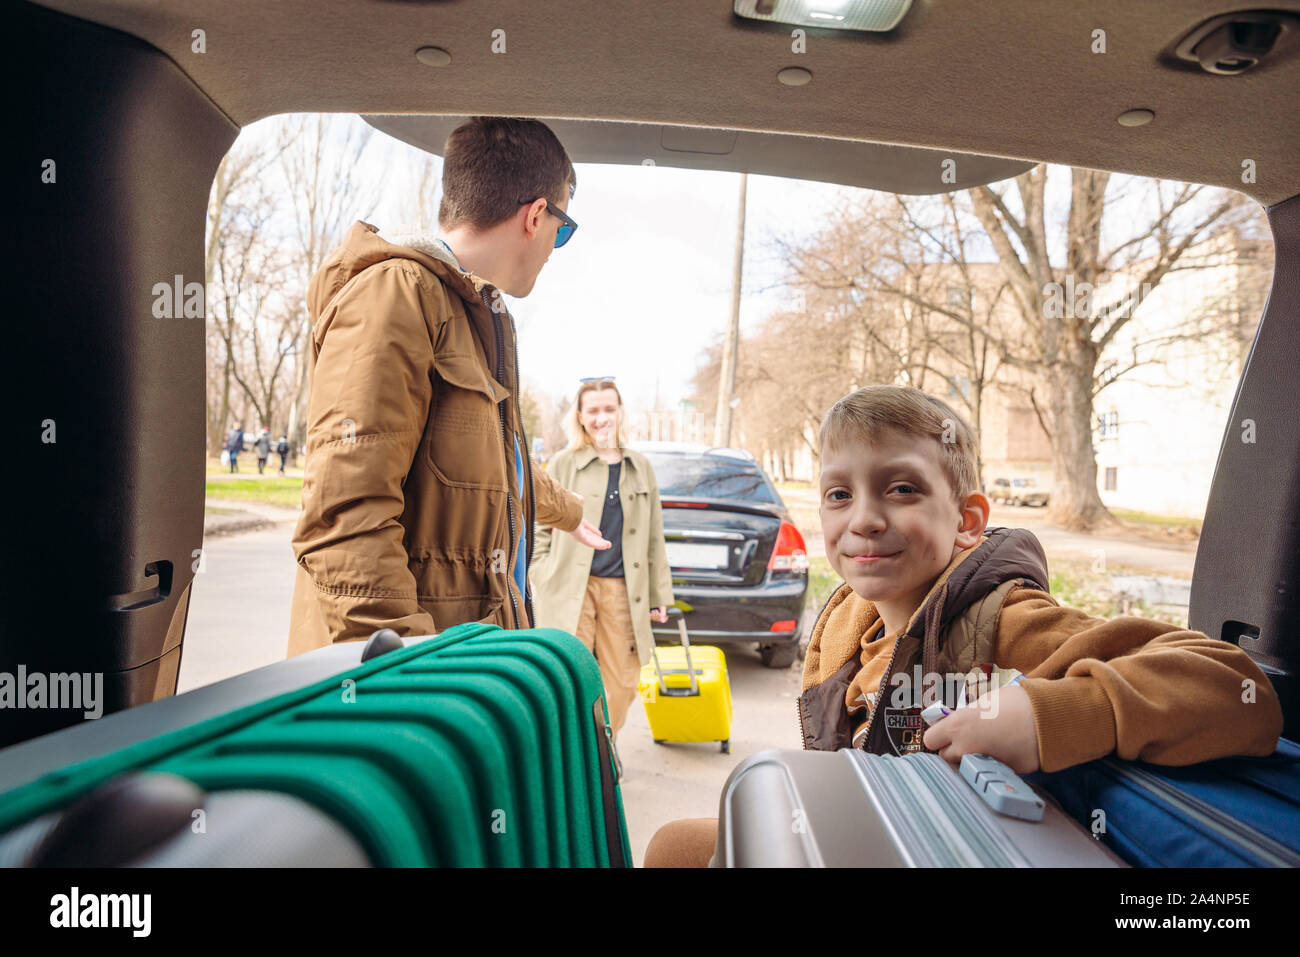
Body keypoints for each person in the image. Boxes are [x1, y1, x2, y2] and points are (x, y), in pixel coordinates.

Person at [644, 384, 1283, 866]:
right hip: (882, 829)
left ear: (968, 521)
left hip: (950, 846)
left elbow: (1235, 687)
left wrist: (1042, 716)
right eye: (840, 494)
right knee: (678, 844)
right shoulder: (846, 623)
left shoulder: (1002, 617)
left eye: (900, 489)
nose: (863, 518)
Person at [288, 117, 608, 655]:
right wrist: (410, 678)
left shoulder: (466, 313)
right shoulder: (396, 296)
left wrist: (569, 511)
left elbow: (488, 467)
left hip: (461, 675)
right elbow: (343, 517)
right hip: (409, 694)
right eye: (564, 229)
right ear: (536, 216)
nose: (557, 247)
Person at [531, 379, 674, 739]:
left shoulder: (640, 467)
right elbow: (536, 525)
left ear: (620, 412)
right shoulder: (562, 464)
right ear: (580, 417)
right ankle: (577, 755)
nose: (601, 418)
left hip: (622, 590)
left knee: (622, 682)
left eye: (609, 409)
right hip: (567, 587)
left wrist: (659, 596)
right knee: (566, 674)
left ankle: (601, 748)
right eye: (593, 410)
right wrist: (542, 570)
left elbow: (655, 534)